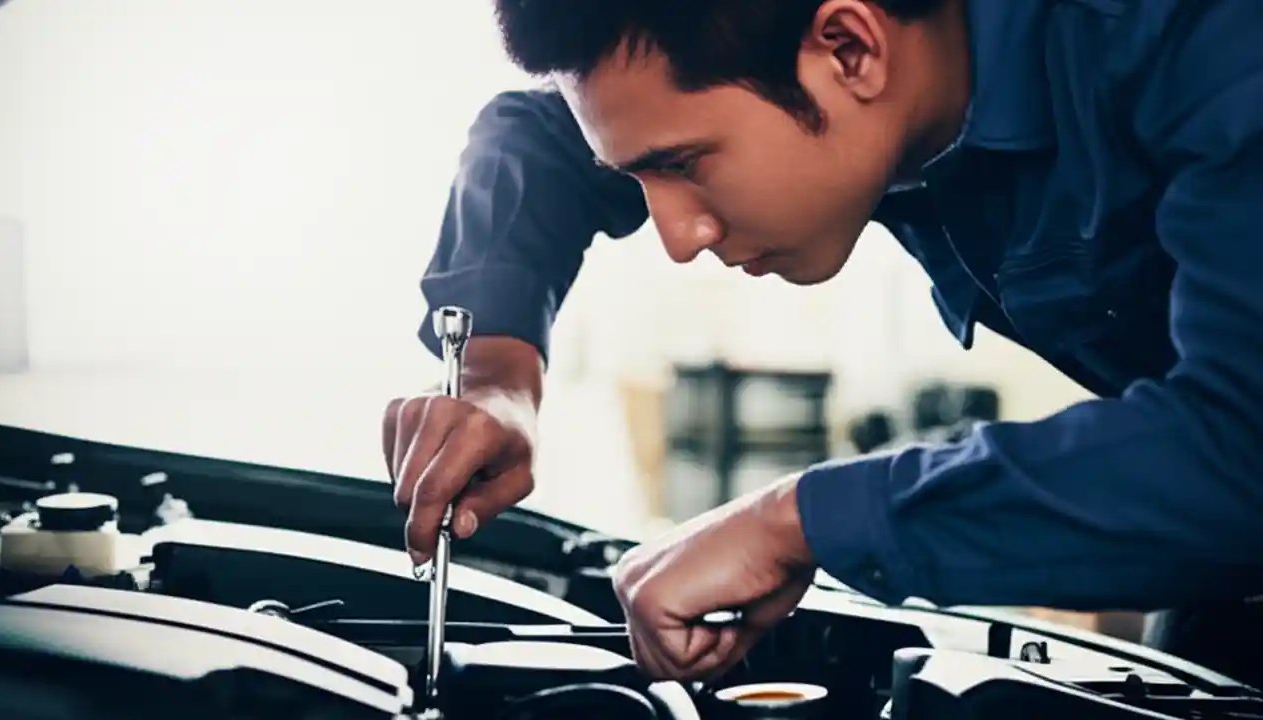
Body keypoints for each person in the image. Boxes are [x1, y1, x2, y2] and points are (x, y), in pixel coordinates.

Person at [382, 0, 1263, 685]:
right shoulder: (797, 57)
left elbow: (1242, 453)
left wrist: (798, 522)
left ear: (851, 49)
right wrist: (495, 372)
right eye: (641, 176)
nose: (678, 236)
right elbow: (541, 134)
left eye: (684, 165)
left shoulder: (1210, 43)